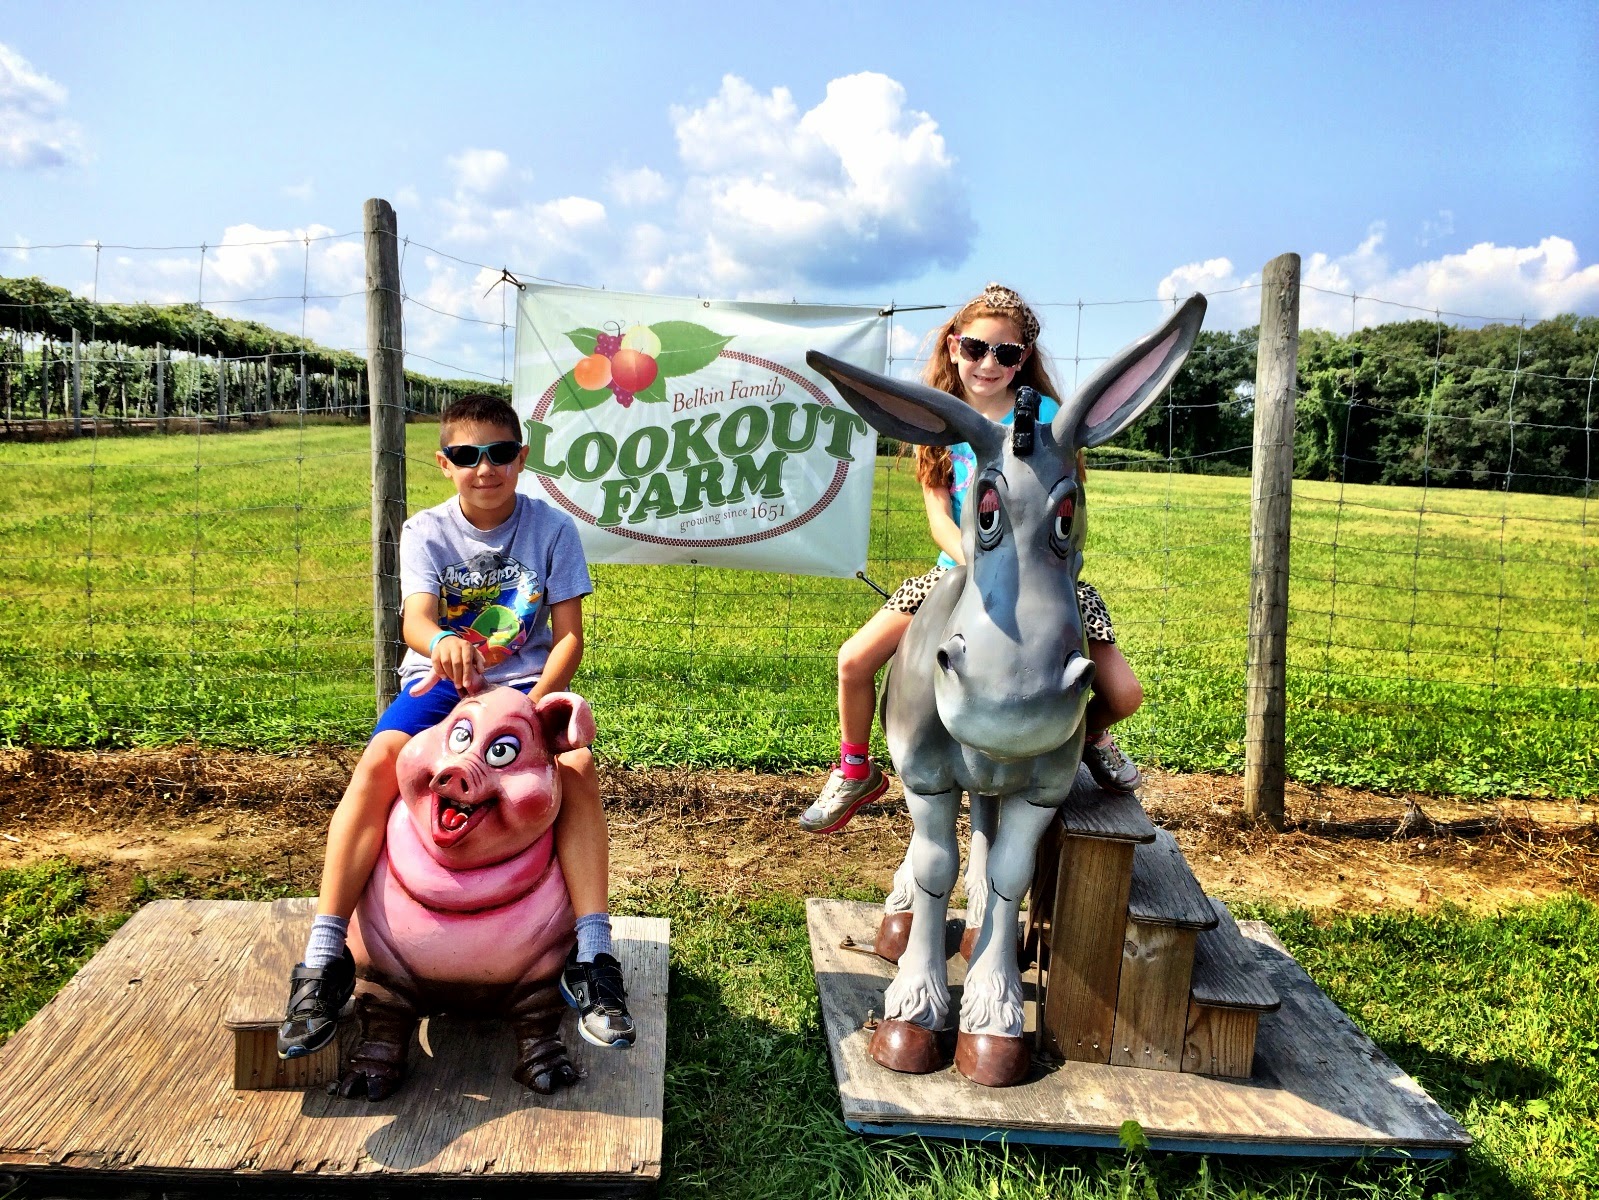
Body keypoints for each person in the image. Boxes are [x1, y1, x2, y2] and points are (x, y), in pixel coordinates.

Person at [278, 393, 634, 1059]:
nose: (485, 468)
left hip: (524, 689)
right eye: (468, 456)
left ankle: (591, 952)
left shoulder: (552, 530)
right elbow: (414, 620)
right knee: (383, 757)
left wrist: (535, 706)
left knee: (578, 768)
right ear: (445, 464)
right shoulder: (426, 530)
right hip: (443, 688)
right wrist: (440, 640)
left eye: (500, 453)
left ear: (521, 459)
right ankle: (324, 954)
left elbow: (568, 640)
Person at [798, 284, 1145, 834]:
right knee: (854, 659)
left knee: (1124, 692)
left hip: (1046, 577)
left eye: (1005, 353)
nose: (989, 363)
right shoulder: (939, 423)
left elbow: (1067, 504)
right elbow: (937, 512)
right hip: (958, 571)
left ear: (1022, 359)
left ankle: (1084, 735)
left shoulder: (1051, 418)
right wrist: (978, 563)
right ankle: (855, 768)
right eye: (976, 348)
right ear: (954, 347)